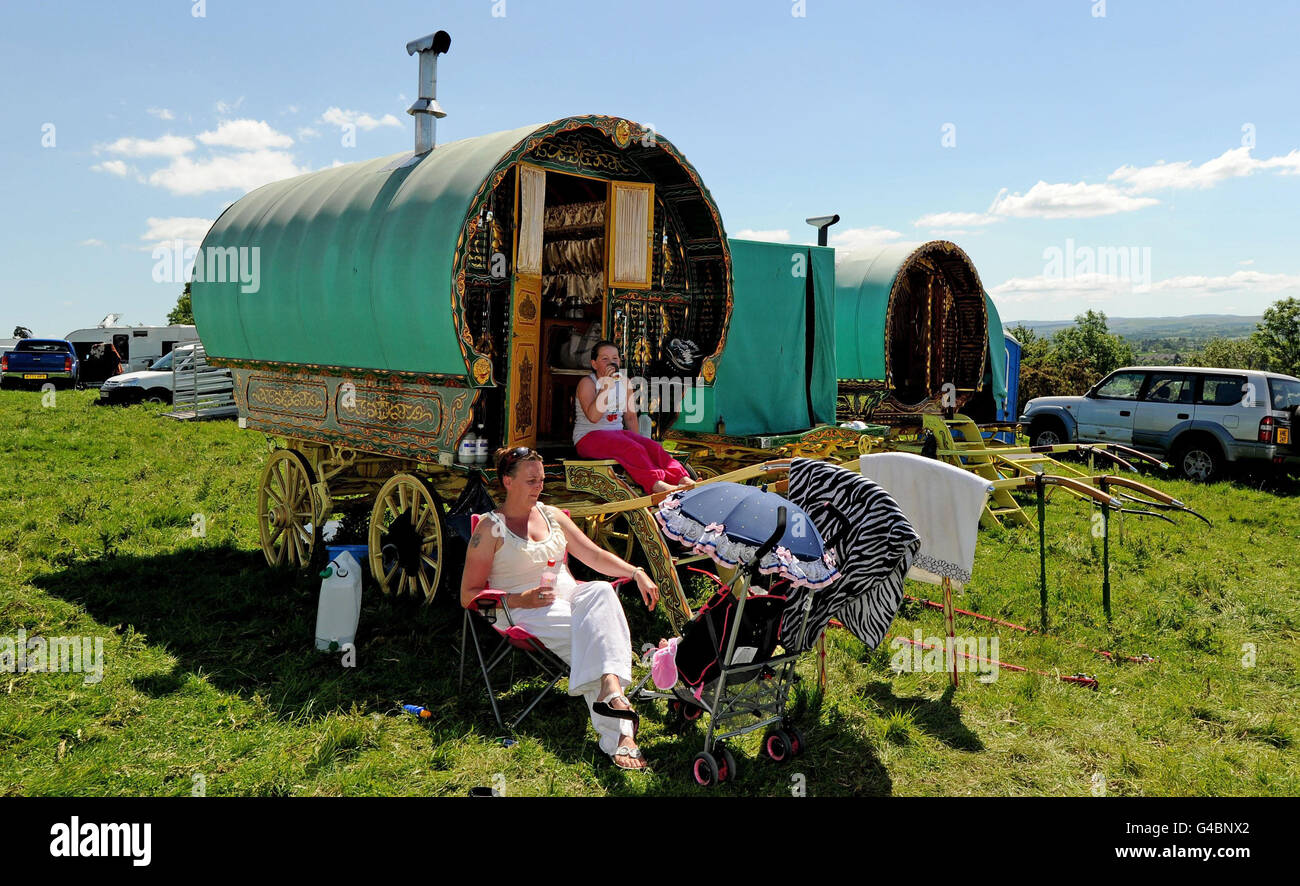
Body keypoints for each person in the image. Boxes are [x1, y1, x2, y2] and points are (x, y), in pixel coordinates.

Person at [460, 446, 661, 770]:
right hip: (522, 610)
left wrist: (635, 572)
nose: (539, 487)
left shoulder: (552, 516)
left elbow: (593, 556)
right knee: (592, 638)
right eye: (530, 481)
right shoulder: (490, 529)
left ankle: (609, 686)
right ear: (507, 482)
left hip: (570, 596)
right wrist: (518, 600)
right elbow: (468, 596)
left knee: (599, 591)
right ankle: (621, 737)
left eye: (541, 479)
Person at [574, 340, 694, 494]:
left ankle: (683, 479)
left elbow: (630, 418)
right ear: (594, 364)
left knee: (652, 447)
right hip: (589, 437)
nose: (611, 363)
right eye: (605, 359)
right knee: (631, 448)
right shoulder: (587, 383)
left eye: (615, 358)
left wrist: (639, 444)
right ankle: (656, 485)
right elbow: (593, 417)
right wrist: (605, 388)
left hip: (616, 434)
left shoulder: (624, 383)